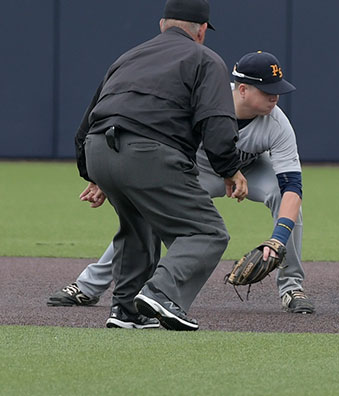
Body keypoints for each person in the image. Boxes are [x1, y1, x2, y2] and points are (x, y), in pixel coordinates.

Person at [51, 51, 314, 316]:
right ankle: (89, 285)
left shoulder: (278, 123)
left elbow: (293, 187)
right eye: (267, 90)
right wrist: (102, 182)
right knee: (150, 210)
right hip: (195, 168)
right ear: (242, 89)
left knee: (283, 196)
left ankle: (291, 287)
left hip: (250, 171)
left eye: (277, 89)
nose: (275, 97)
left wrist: (277, 241)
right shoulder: (202, 102)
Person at [74, 0, 248, 331]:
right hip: (149, 151)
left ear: (162, 26)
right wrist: (229, 168)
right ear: (201, 30)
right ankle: (162, 293)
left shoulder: (128, 57)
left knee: (139, 226)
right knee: (206, 231)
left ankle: (126, 310)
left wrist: (93, 174)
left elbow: (86, 124)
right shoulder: (205, 58)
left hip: (98, 149)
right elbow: (217, 123)